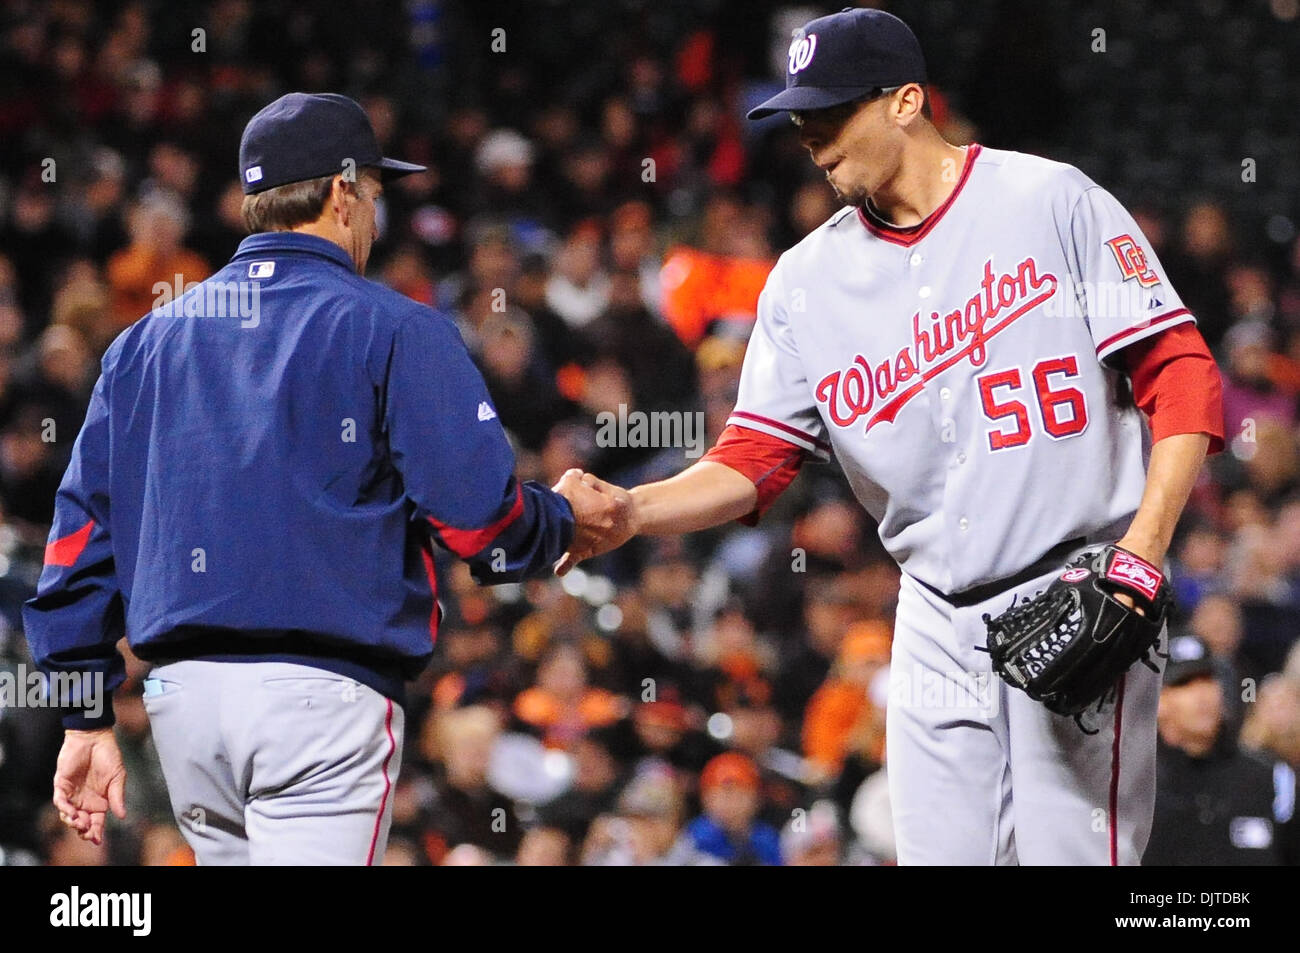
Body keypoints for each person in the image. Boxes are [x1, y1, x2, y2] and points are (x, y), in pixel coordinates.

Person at [558, 9, 1224, 865]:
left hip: (1082, 584)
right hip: (933, 614)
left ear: (907, 100)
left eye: (832, 113)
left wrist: (1145, 552)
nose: (812, 137)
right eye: (802, 119)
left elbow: (1181, 374)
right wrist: (635, 509)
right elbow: (756, 459)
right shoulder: (806, 281)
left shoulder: (1046, 199)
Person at [23, 93, 630, 865]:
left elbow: (79, 537)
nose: (375, 218)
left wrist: (83, 712)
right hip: (320, 700)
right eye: (374, 195)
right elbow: (480, 525)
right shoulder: (393, 326)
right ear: (343, 193)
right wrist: (562, 521)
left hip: (185, 709)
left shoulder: (144, 345)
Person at [1143, 635, 1299, 865]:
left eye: (1208, 679)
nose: (1202, 696)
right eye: (1184, 683)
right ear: (1159, 701)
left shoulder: (1270, 776)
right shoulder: (1134, 781)